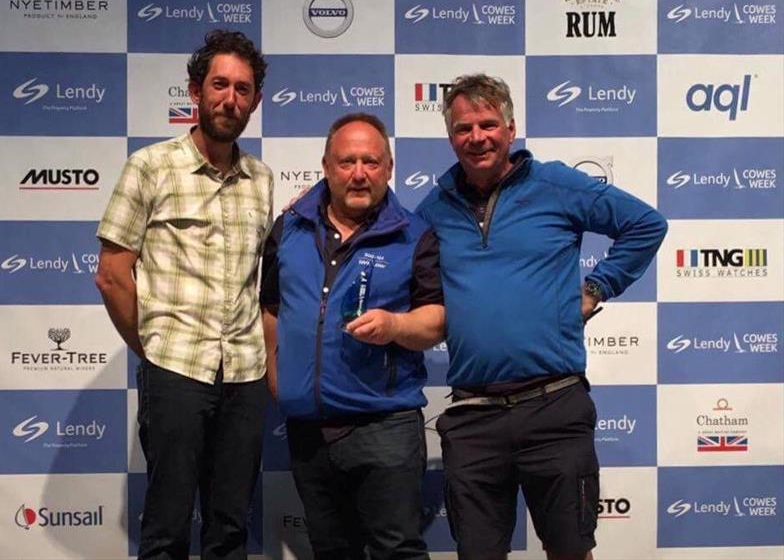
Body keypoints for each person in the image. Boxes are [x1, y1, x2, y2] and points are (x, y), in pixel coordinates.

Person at [416, 74, 668, 560]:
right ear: (450, 138)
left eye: (488, 124)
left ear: (511, 129)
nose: (477, 137)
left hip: (555, 406)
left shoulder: (555, 183)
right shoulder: (434, 208)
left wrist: (596, 289)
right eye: (463, 128)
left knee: (570, 553)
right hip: (473, 416)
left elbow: (646, 224)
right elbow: (389, 241)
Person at [95, 30, 273, 560]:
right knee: (168, 529)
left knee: (230, 528)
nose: (230, 99)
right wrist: (152, 349)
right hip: (176, 368)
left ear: (256, 101)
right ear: (196, 91)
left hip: (245, 373)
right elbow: (112, 273)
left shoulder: (261, 179)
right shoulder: (150, 166)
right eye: (220, 84)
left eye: (243, 89)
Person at [260, 113, 444, 560]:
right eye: (346, 162)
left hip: (384, 426)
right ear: (326, 166)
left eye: (370, 161)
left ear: (389, 167)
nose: (359, 173)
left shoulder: (415, 235)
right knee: (331, 550)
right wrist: (276, 379)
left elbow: (437, 320)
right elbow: (270, 307)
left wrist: (396, 326)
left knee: (396, 550)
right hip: (308, 430)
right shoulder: (289, 227)